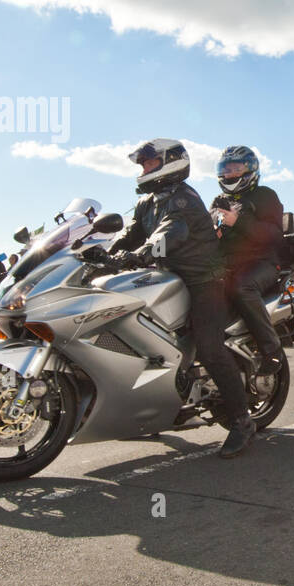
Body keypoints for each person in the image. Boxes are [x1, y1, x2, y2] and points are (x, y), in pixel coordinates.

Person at [109, 139, 255, 459]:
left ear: (170, 163)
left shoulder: (183, 199)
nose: (144, 169)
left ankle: (242, 421)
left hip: (204, 281)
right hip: (169, 280)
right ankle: (159, 407)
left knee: (208, 347)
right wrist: (101, 252)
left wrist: (138, 255)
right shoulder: (148, 201)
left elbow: (168, 234)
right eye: (143, 164)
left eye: (149, 163)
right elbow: (130, 233)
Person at [210, 145, 284, 376]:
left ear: (250, 169)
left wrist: (237, 222)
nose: (230, 173)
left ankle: (272, 350)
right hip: (226, 263)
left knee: (242, 286)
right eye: (226, 169)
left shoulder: (265, 196)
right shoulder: (219, 200)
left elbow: (274, 235)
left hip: (263, 262)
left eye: (235, 168)